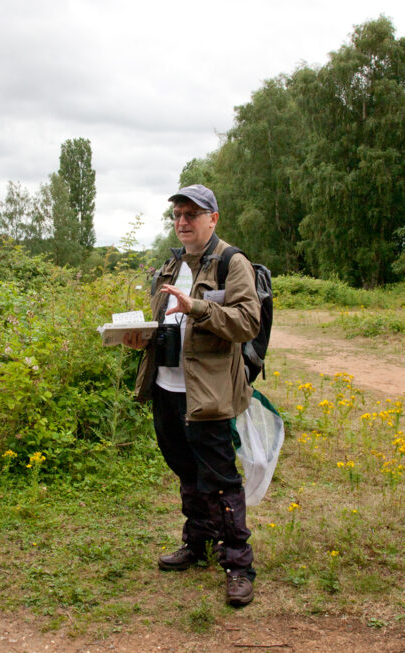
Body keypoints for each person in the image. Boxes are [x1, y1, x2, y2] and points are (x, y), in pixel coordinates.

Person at [123, 184, 261, 606]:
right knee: (186, 470)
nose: (183, 222)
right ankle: (198, 542)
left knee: (220, 479)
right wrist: (139, 338)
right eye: (178, 215)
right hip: (167, 387)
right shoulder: (171, 265)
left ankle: (238, 564)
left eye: (192, 214)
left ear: (213, 218)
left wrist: (197, 308)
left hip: (209, 394)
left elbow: (247, 322)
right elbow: (165, 324)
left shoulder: (232, 263)